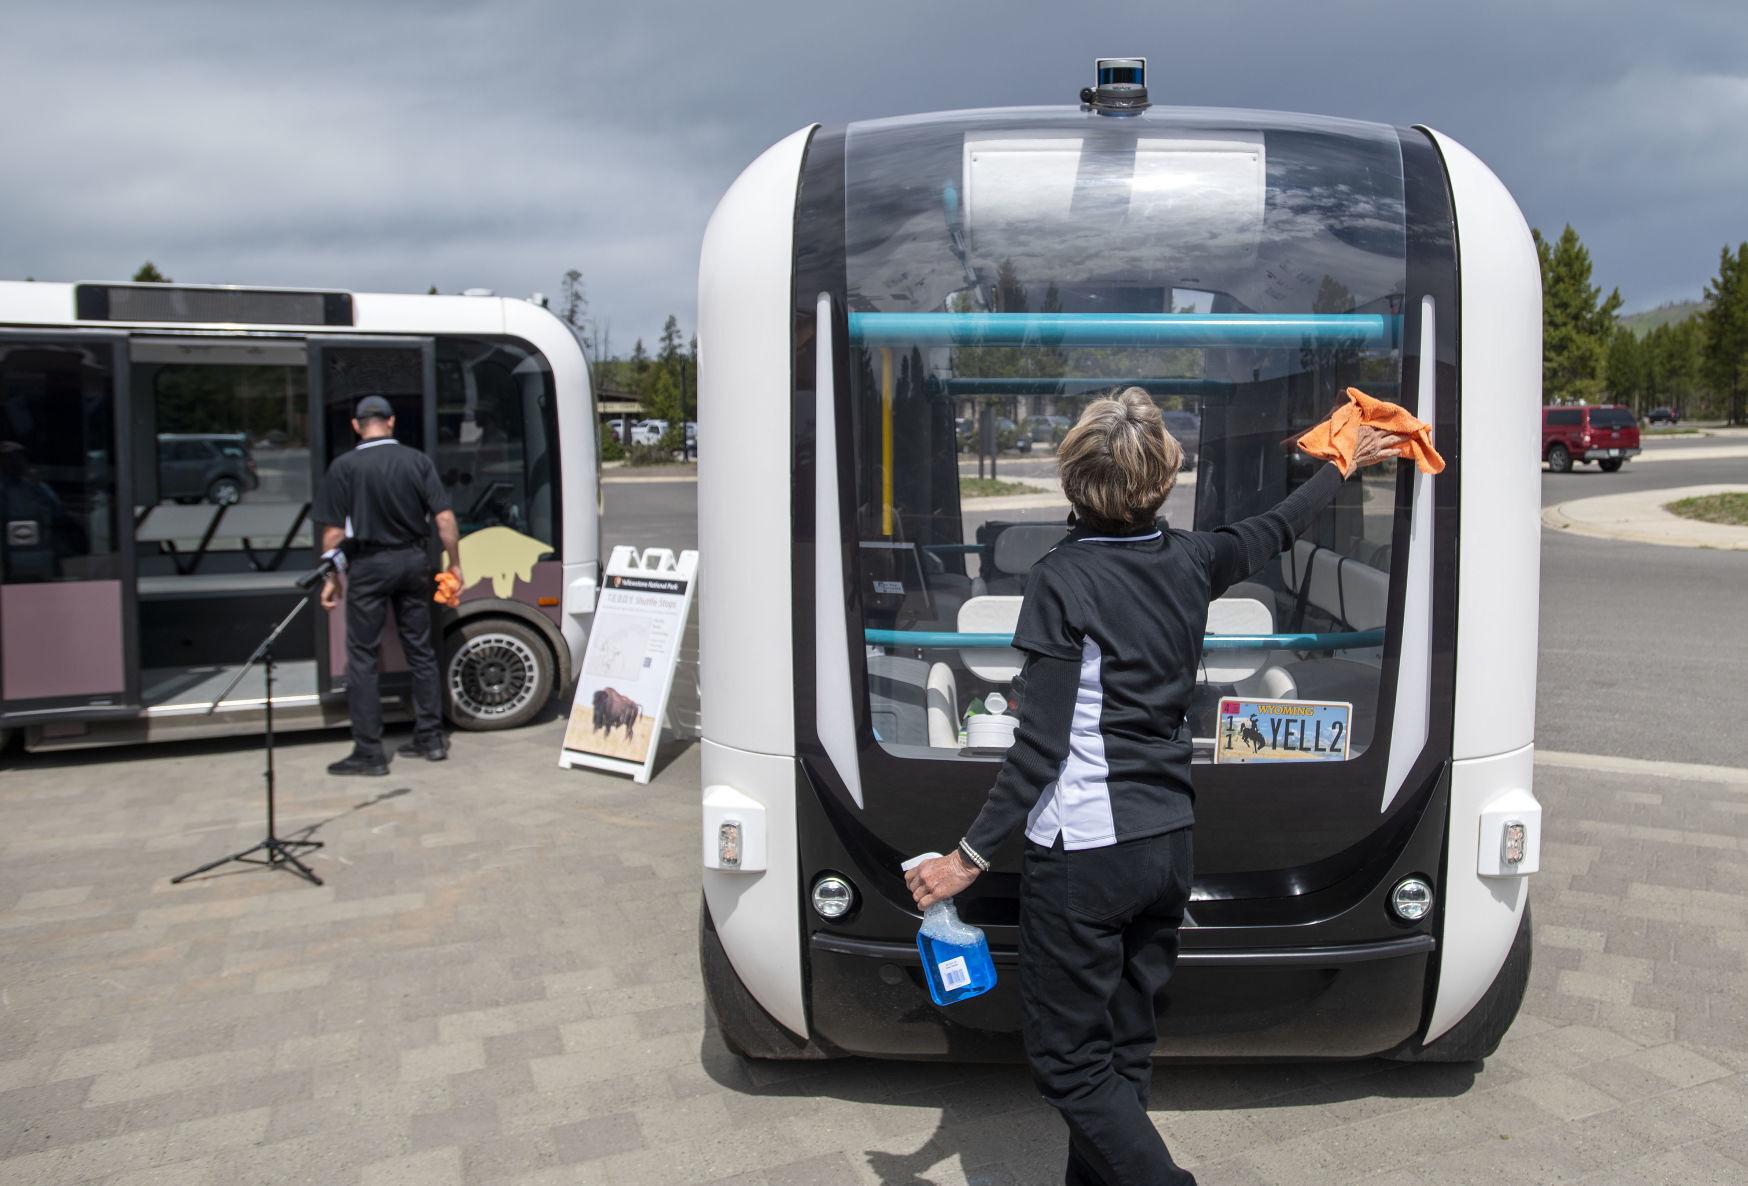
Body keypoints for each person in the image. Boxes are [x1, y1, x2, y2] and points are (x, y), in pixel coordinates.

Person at [905, 389, 1405, 1185]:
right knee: (1124, 1053)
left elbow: (1040, 746)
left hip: (1086, 857)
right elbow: (1277, 528)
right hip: (1166, 844)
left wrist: (966, 858)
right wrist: (1343, 462)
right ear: (1164, 483)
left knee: (1068, 1066)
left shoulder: (1060, 580)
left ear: (1074, 483)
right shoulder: (1194, 558)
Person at [313, 395, 463, 776]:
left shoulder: (344, 466)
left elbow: (332, 534)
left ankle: (369, 753)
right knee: (421, 650)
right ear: (391, 422)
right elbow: (444, 519)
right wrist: (455, 564)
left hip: (368, 566)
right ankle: (431, 739)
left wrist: (332, 579)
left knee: (362, 657)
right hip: (415, 562)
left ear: (356, 425)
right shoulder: (418, 461)